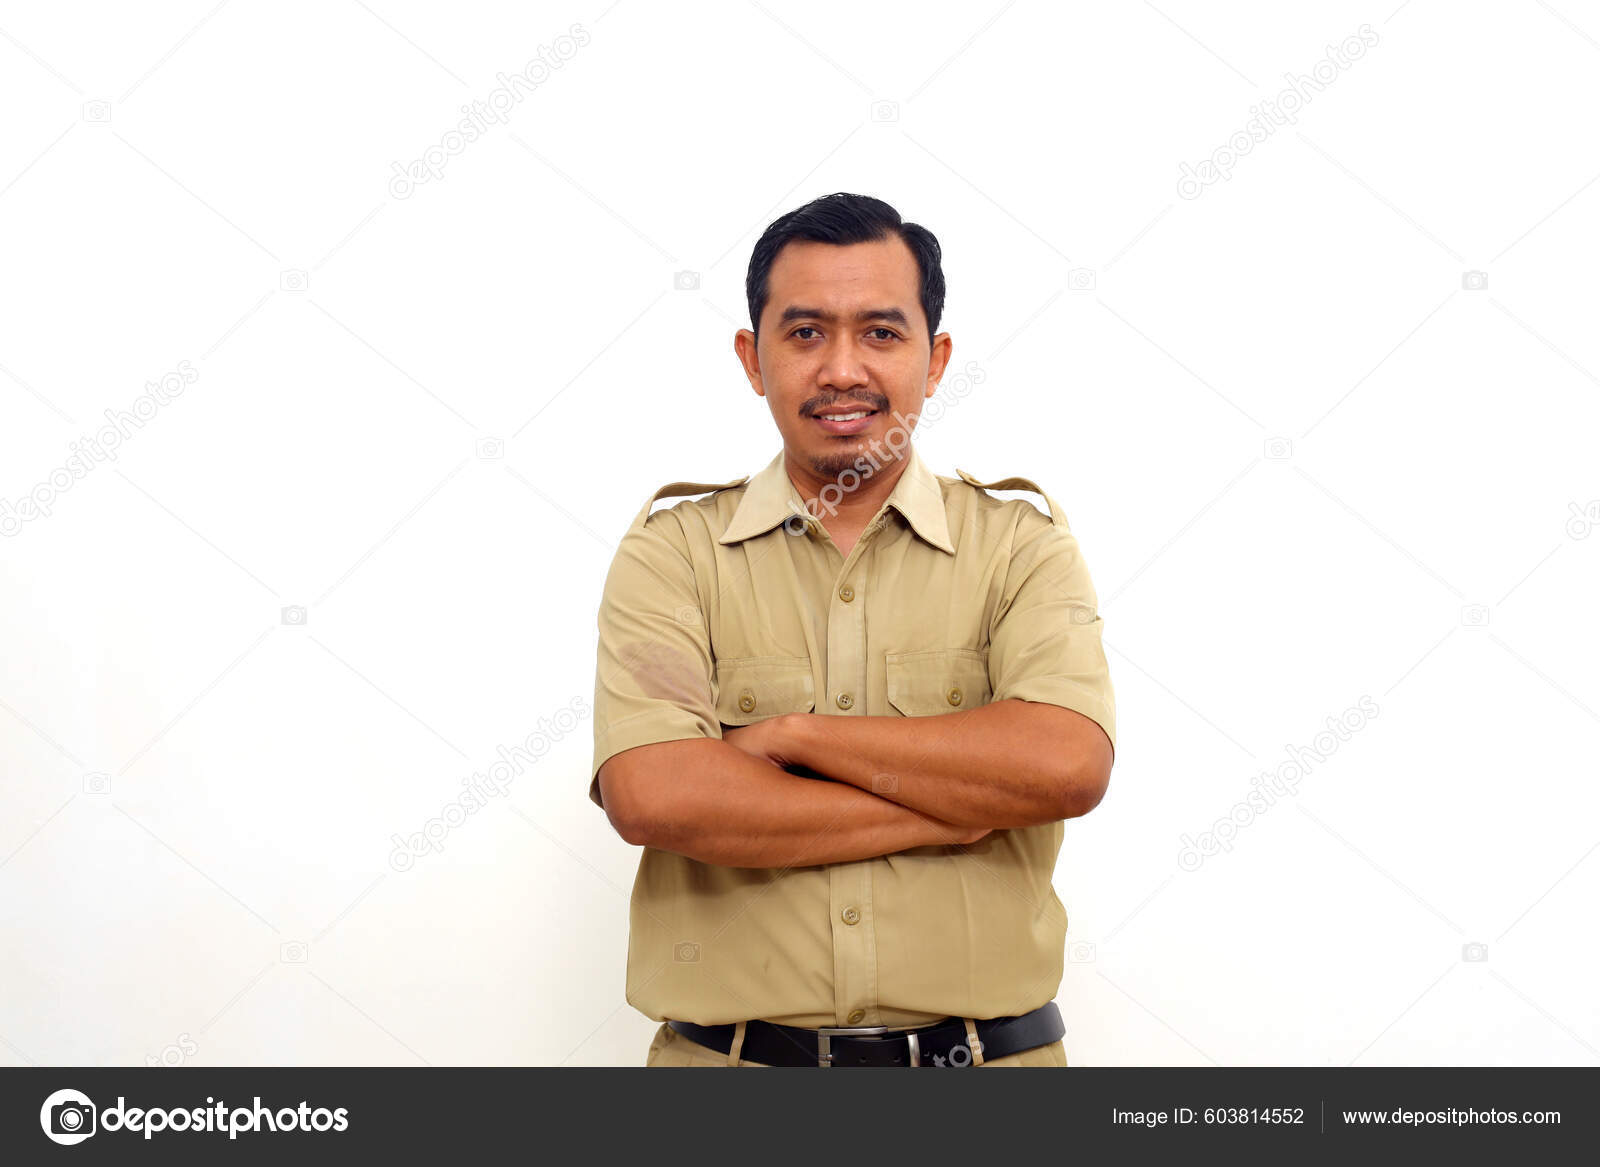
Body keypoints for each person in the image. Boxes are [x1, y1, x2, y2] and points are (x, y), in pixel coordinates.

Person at [589, 192, 1116, 1067]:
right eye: (804, 333)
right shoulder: (673, 553)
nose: (842, 369)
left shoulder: (1020, 547)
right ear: (752, 359)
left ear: (935, 358)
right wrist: (954, 811)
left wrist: (795, 736)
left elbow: (1066, 762)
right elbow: (654, 795)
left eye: (880, 332)